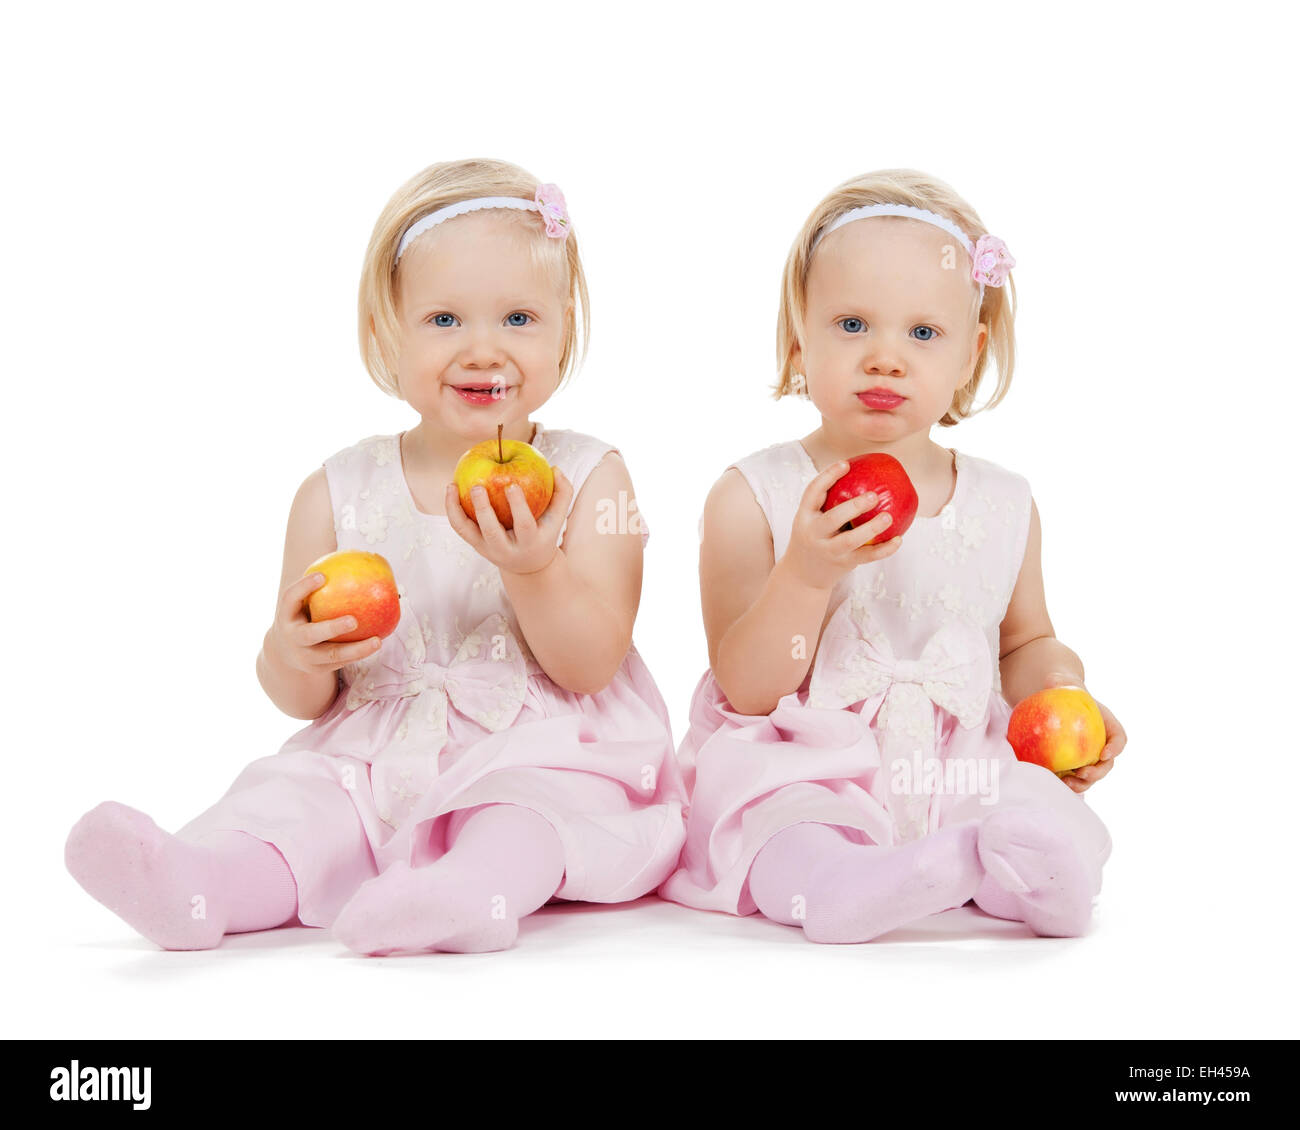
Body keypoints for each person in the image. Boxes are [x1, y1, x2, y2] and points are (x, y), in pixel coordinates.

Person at [66, 158, 686, 956]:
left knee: (521, 811)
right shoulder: (337, 489)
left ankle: (467, 892)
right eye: (443, 321)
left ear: (566, 326)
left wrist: (533, 568)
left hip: (538, 745)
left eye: (520, 319)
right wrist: (290, 650)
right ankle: (202, 884)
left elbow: (589, 664)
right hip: (375, 753)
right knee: (297, 805)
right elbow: (301, 698)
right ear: (384, 333)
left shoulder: (589, 475)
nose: (482, 349)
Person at [659, 170, 1126, 943]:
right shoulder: (754, 495)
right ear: (796, 337)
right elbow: (744, 689)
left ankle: (1028, 879)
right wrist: (807, 572)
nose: (885, 358)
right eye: (850, 326)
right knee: (782, 823)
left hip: (956, 765)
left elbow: (1026, 643)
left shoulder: (1004, 502)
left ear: (970, 354)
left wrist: (1064, 694)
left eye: (922, 333)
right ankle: (840, 886)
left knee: (1030, 805)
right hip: (808, 763)